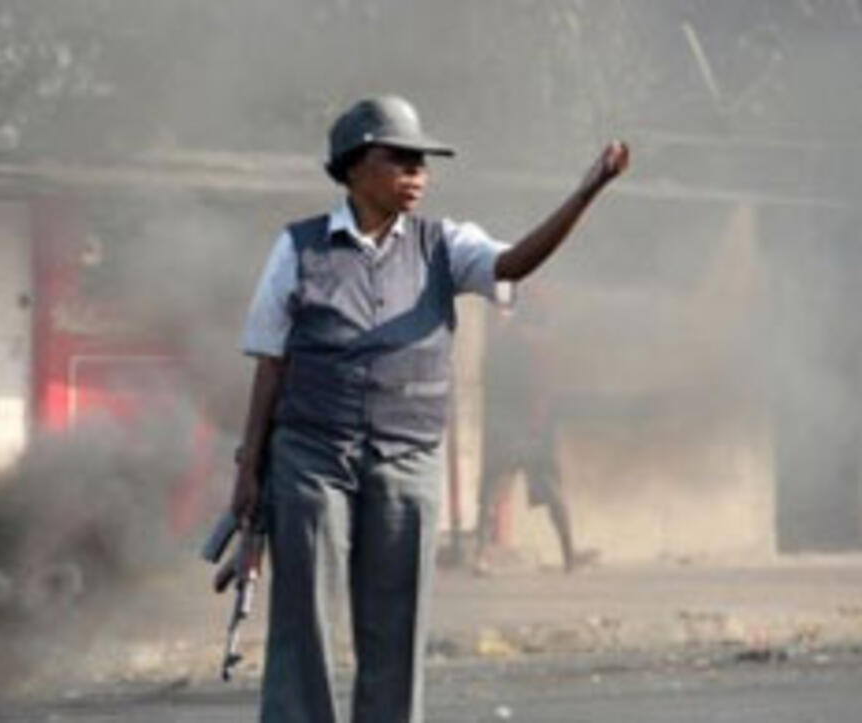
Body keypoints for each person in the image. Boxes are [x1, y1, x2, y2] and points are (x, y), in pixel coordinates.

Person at [231, 95, 628, 723]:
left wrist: (585, 194)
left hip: (406, 458)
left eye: (424, 164)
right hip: (311, 458)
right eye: (403, 160)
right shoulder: (298, 249)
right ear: (356, 167)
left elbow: (513, 262)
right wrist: (249, 467)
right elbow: (270, 361)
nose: (420, 174)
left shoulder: (447, 244)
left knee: (397, 622)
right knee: (302, 618)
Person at [474, 295, 594, 575]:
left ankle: (480, 556)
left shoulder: (502, 343)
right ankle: (569, 557)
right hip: (534, 431)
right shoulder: (542, 345)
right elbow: (547, 392)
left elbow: (487, 379)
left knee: (492, 493)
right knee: (553, 494)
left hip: (505, 428)